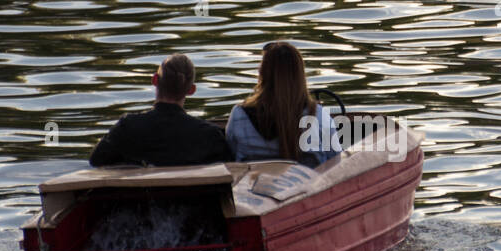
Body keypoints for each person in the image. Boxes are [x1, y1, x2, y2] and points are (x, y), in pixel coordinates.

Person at [88, 53, 233, 167]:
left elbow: (96, 160)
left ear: (155, 80)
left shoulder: (127, 127)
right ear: (191, 90)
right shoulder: (210, 135)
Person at [226, 41, 342, 167]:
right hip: (309, 185)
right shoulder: (319, 116)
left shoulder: (239, 116)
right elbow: (336, 162)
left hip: (256, 185)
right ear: (300, 76)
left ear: (262, 74)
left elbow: (230, 156)